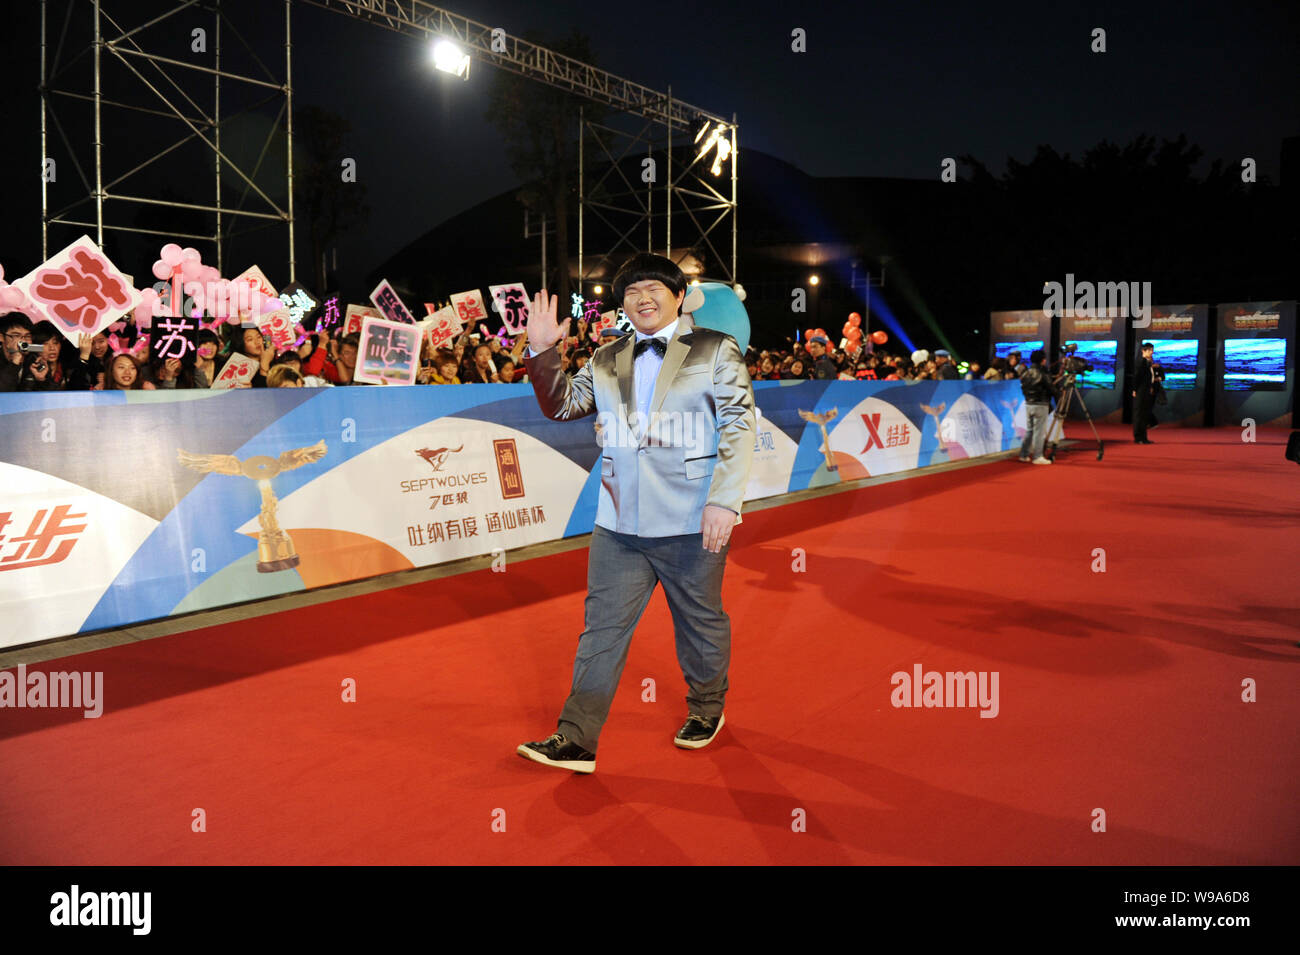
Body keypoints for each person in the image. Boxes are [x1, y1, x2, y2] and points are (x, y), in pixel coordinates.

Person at [516, 252, 756, 773]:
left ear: (676, 296)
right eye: (631, 291)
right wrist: (542, 351)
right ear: (622, 303)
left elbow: (738, 424)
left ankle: (706, 707)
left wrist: (724, 500)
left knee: (699, 622)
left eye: (653, 288)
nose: (642, 298)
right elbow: (561, 405)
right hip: (619, 520)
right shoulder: (606, 356)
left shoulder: (716, 348)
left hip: (692, 517)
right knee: (600, 629)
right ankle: (576, 738)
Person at [1018, 349, 1058, 464]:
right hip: (1041, 404)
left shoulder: (1026, 373)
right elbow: (1051, 388)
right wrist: (1058, 395)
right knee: (1039, 432)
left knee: (1030, 430)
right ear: (1043, 360)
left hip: (1028, 404)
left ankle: (1024, 454)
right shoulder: (1043, 373)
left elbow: (1023, 387)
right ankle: (1037, 456)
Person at [1132, 341, 1156, 444]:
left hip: (1146, 391)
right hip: (1140, 391)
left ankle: (1144, 437)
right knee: (1139, 414)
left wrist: (1151, 387)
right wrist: (1134, 389)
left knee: (1144, 414)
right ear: (1143, 351)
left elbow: (1149, 377)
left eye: (1152, 350)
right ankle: (1138, 438)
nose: (1151, 352)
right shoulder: (1140, 362)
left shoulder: (1148, 362)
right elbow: (1136, 377)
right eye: (1149, 350)